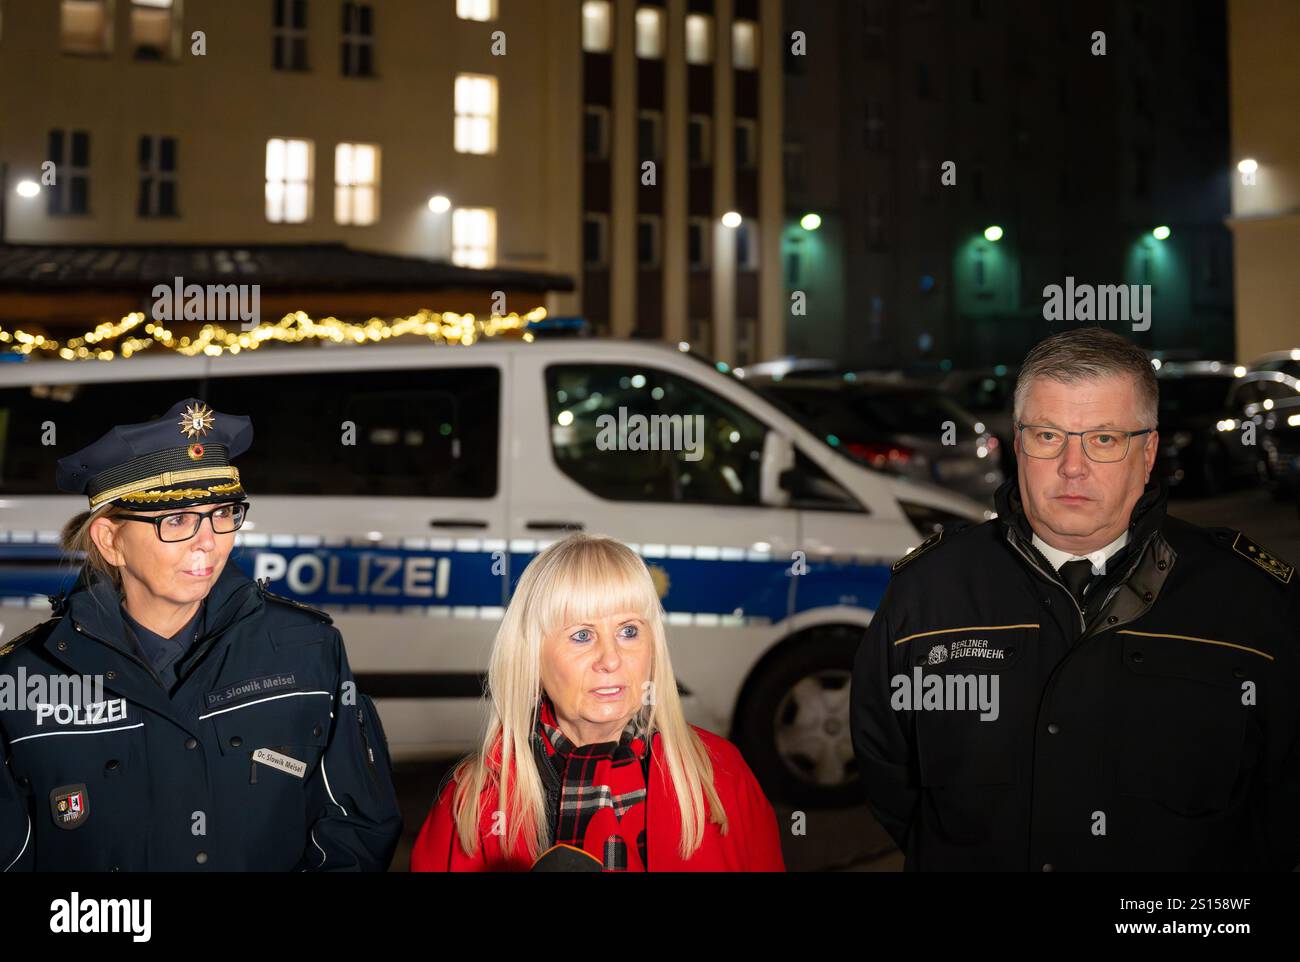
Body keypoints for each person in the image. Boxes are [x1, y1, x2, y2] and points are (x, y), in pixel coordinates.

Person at [851, 327, 1300, 871]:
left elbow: (1280, 807)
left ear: (1148, 451)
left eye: (1104, 439)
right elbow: (891, 779)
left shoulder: (1248, 600)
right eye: (1047, 436)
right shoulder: (927, 594)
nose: (1072, 467)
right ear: (1018, 444)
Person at [0, 398, 402, 871]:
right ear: (110, 541)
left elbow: (356, 828)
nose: (208, 540)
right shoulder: (26, 679)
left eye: (223, 513)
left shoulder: (309, 650)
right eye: (177, 520)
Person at [410, 533, 785, 871]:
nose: (611, 659)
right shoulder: (473, 801)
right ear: (531, 657)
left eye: (628, 631)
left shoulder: (720, 775)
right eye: (582, 635)